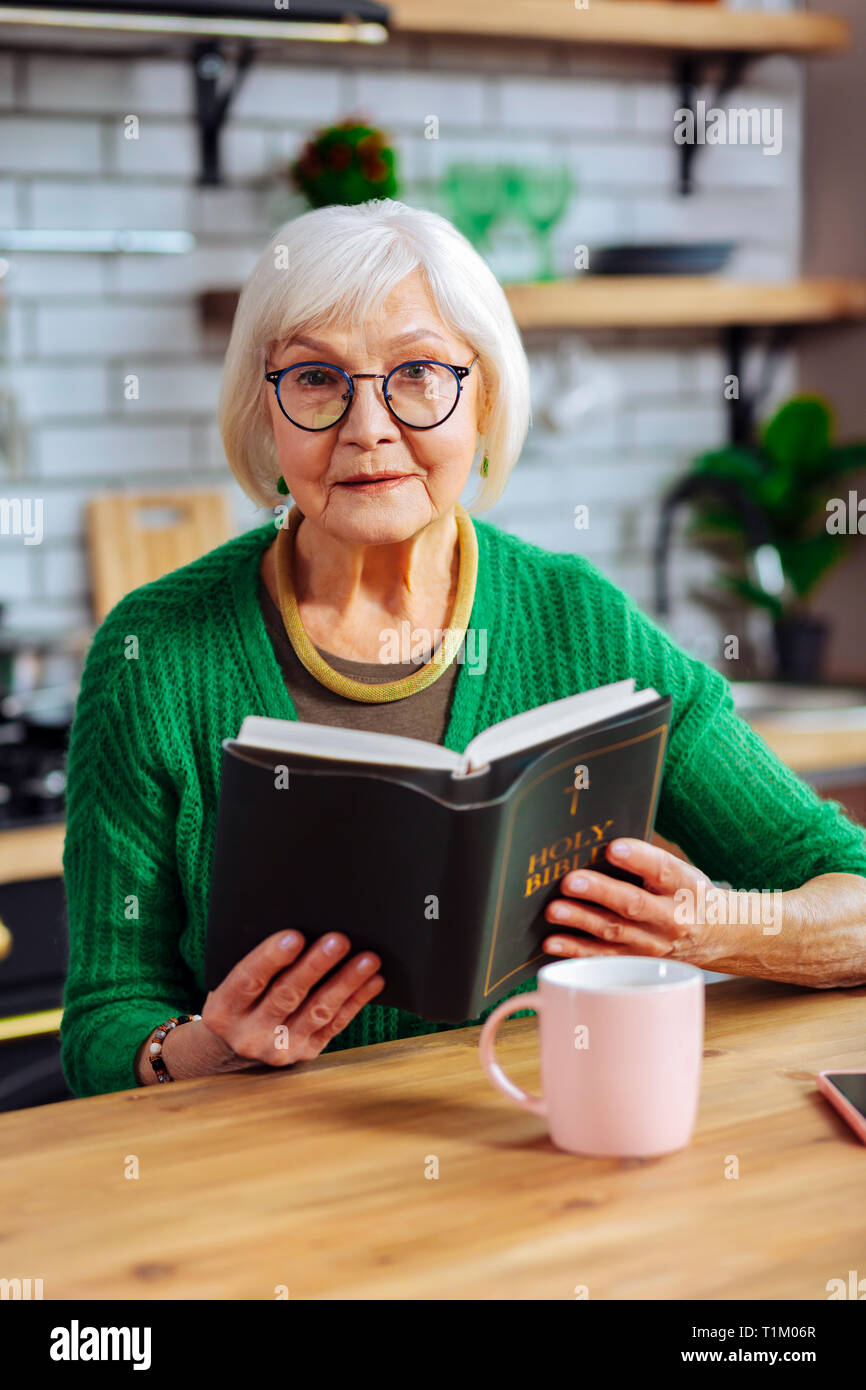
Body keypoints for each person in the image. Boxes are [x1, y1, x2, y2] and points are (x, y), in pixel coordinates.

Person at [61, 200, 866, 1098]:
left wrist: (712, 929)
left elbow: (854, 895)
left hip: (528, 1160)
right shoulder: (153, 650)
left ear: (484, 396)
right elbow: (106, 1016)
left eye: (417, 374)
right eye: (319, 379)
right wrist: (203, 1048)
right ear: (265, 410)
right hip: (260, 1191)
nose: (367, 428)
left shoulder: (582, 620)